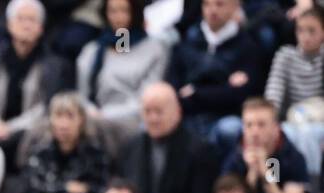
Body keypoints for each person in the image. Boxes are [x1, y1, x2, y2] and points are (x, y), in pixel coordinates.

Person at [117, 82, 218, 193]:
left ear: (177, 111)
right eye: (147, 111)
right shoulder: (130, 148)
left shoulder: (200, 150)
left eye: (159, 111)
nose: (153, 118)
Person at [165, 0, 266, 148]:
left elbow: (240, 96)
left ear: (235, 7)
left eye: (219, 4)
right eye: (207, 4)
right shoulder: (187, 42)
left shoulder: (247, 46)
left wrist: (195, 92)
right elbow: (173, 88)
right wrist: (223, 87)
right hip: (187, 116)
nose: (212, 10)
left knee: (231, 129)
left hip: (223, 118)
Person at [0, 0, 72, 156]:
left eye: (32, 20)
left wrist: (11, 128)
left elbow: (48, 107)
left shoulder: (53, 65)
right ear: (9, 25)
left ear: (41, 28)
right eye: (20, 19)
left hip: (31, 132)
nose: (26, 25)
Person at [73, 0, 169, 153]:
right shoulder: (93, 50)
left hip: (133, 118)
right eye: (113, 11)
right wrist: (91, 112)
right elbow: (82, 94)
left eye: (124, 11)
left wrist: (105, 115)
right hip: (94, 117)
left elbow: (146, 99)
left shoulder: (154, 49)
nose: (118, 17)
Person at [220, 97, 308, 193]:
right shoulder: (234, 157)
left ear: (276, 127)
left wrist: (266, 174)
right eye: (249, 125)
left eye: (261, 125)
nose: (254, 132)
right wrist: (252, 174)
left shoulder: (293, 158)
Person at [20, 91, 110, 193]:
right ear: (50, 119)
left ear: (81, 120)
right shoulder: (39, 153)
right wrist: (67, 189)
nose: (64, 124)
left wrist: (53, 190)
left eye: (70, 116)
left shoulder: (96, 155)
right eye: (58, 116)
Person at [266, 5, 324, 179]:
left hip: (319, 122)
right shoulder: (285, 55)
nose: (305, 37)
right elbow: (273, 94)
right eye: (300, 30)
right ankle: (272, 183)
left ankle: (311, 186)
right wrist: (270, 122)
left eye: (312, 31)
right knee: (269, 135)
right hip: (290, 123)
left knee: (307, 134)